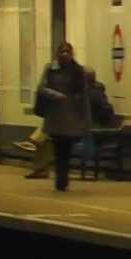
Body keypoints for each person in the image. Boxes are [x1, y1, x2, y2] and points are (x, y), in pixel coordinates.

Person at [32, 42, 92, 191]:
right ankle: (61, 179)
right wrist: (56, 95)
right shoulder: (50, 69)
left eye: (67, 52)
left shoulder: (78, 71)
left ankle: (62, 179)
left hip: (72, 115)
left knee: (65, 148)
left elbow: (84, 96)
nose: (64, 55)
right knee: (59, 147)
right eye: (62, 52)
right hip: (55, 115)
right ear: (57, 54)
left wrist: (86, 118)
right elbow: (41, 88)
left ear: (72, 54)